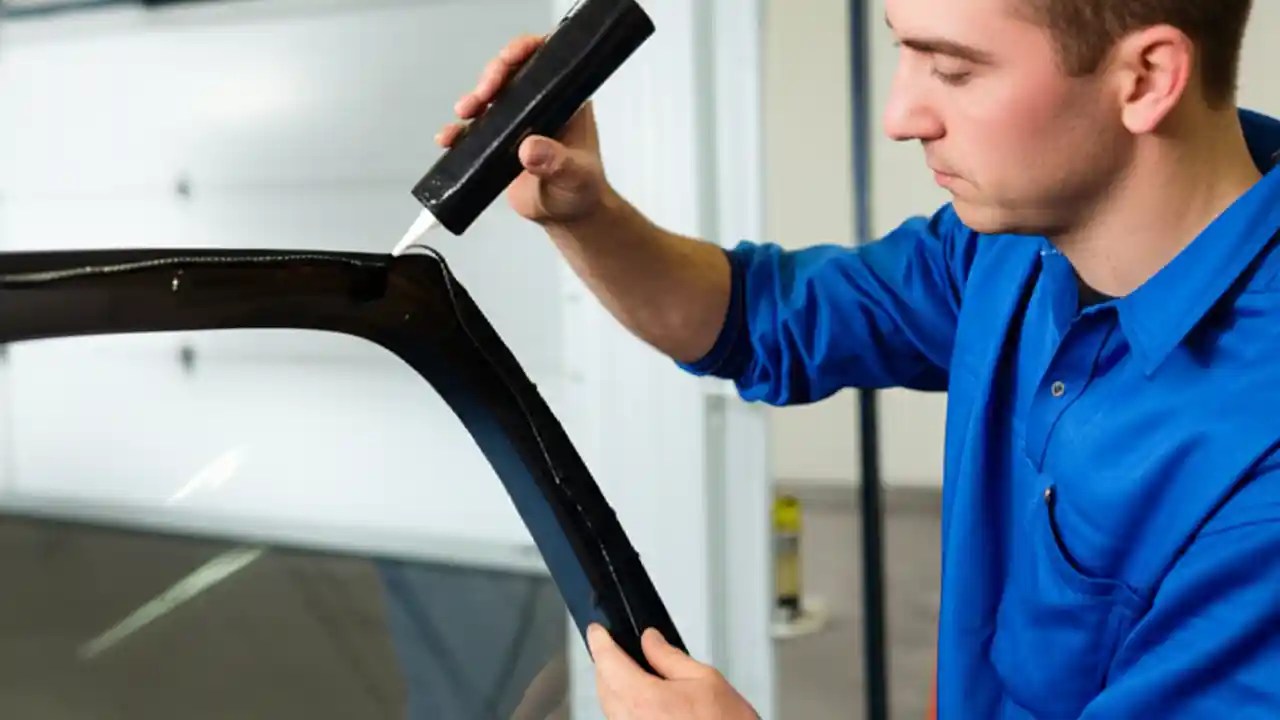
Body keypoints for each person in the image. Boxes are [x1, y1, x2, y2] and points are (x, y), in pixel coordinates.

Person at [441, 0, 1280, 717]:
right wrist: (584, 211)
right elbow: (764, 320)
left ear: (1146, 78)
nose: (901, 116)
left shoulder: (1261, 472)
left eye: (952, 70)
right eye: (903, 52)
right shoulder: (1015, 247)